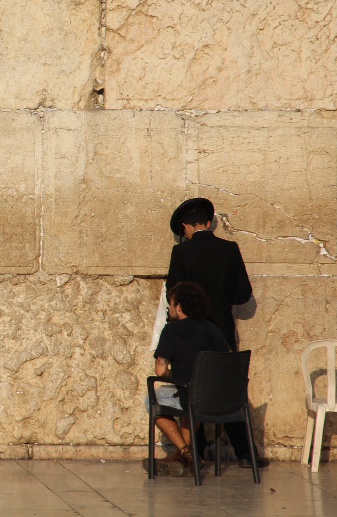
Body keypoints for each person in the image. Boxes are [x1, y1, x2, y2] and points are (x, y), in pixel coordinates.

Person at [165, 197, 269, 468]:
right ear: (209, 223)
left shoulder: (182, 253)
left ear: (186, 226)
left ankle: (195, 452)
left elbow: (173, 294)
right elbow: (243, 294)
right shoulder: (230, 249)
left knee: (191, 391)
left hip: (189, 335)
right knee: (227, 391)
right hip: (221, 332)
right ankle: (246, 453)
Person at [143, 281, 230, 476]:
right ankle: (178, 458)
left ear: (179, 306)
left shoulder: (172, 330)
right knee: (193, 395)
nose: (170, 309)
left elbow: (160, 371)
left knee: (152, 399)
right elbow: (228, 359)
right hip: (219, 398)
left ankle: (186, 452)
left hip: (190, 395)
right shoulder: (213, 329)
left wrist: (177, 375)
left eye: (171, 304)